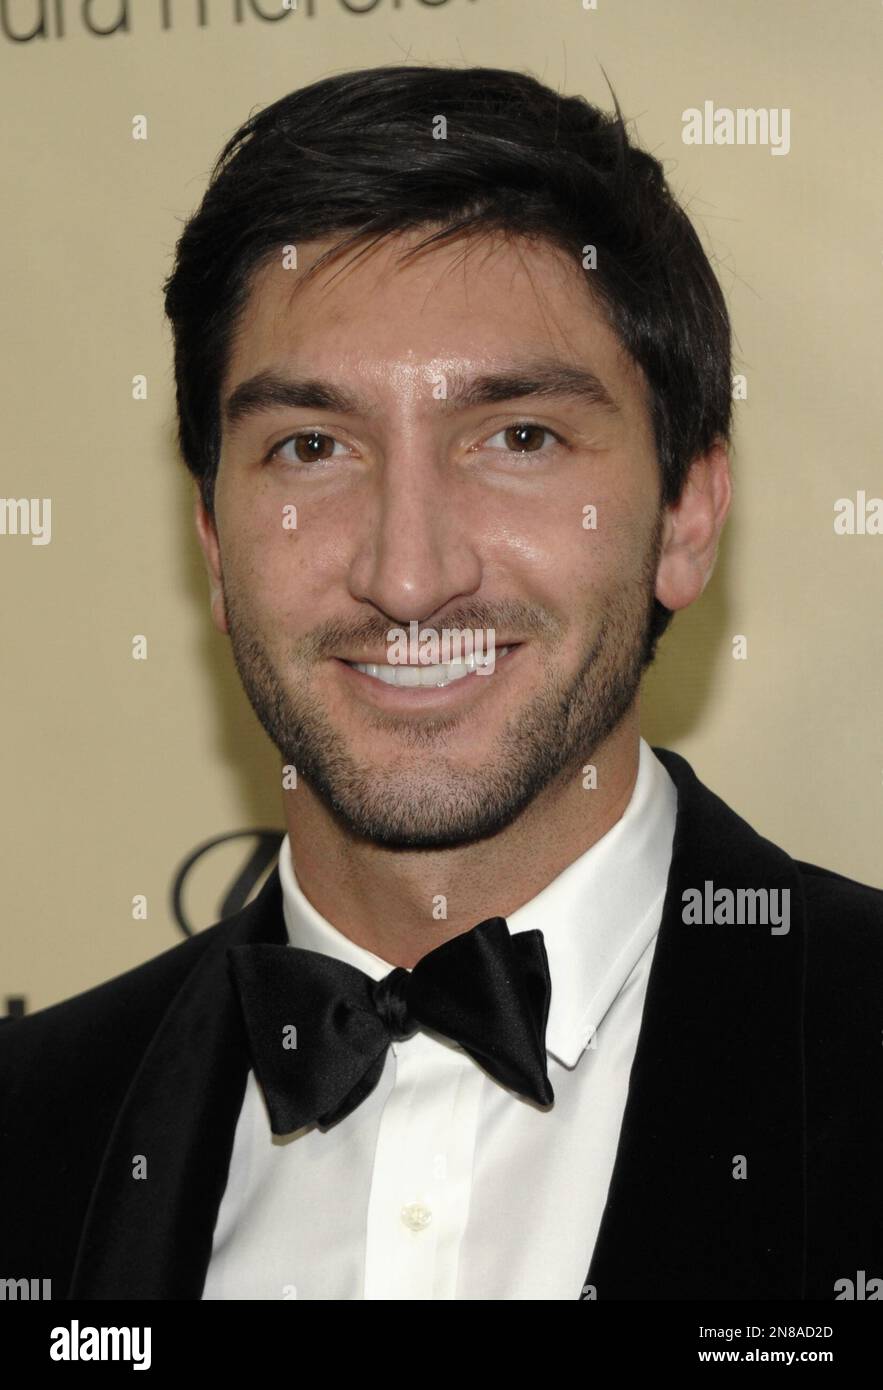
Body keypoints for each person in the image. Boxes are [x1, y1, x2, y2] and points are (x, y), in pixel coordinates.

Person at [2, 65, 880, 1303]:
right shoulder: (30, 1128)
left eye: (517, 438)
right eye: (311, 447)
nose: (407, 575)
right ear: (212, 542)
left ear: (687, 512)